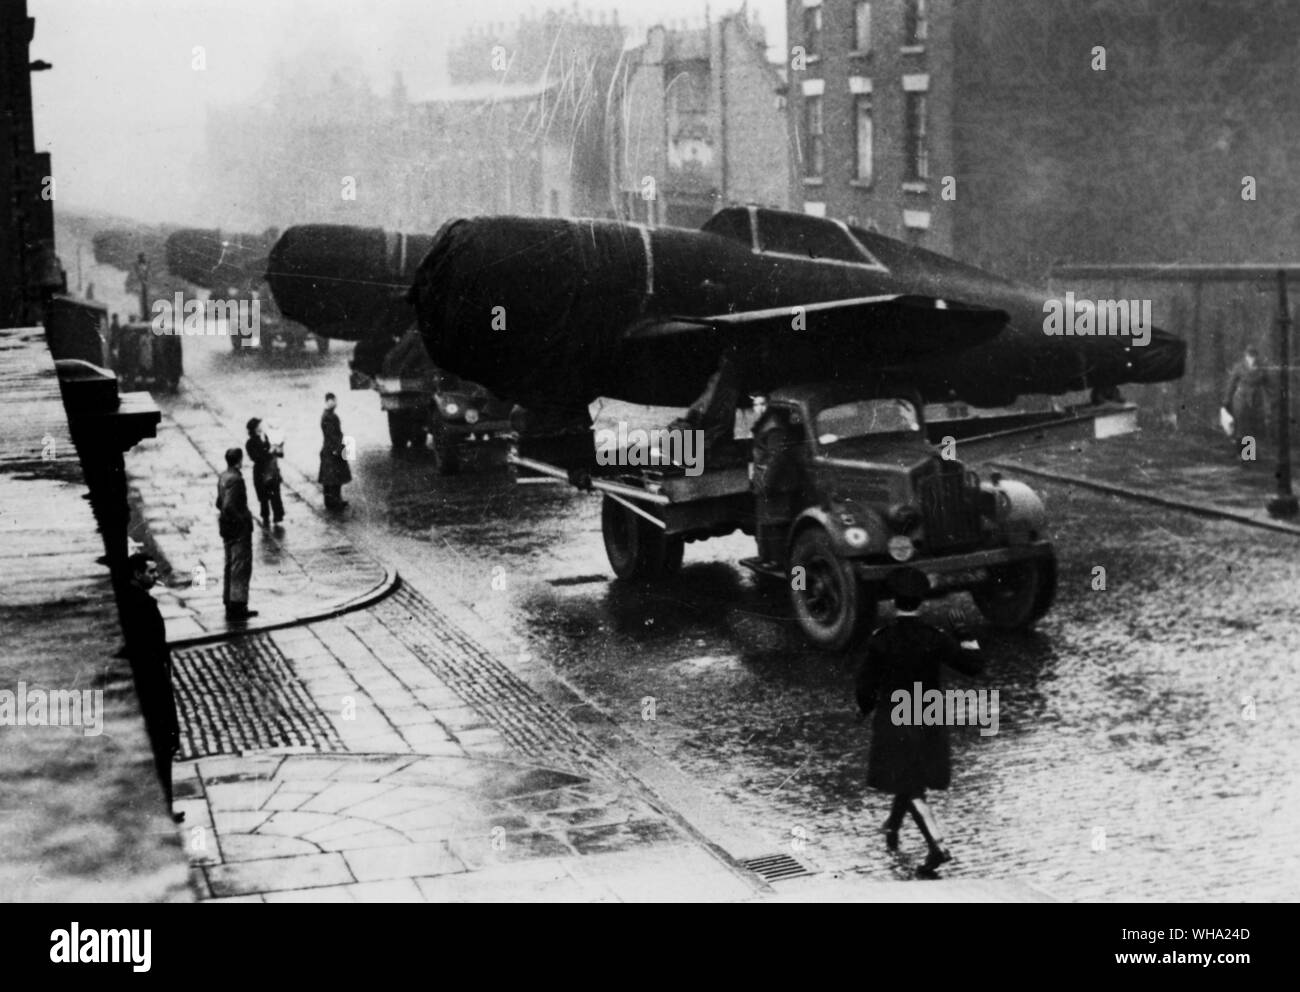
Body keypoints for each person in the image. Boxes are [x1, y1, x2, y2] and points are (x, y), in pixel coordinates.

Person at [855, 568, 984, 878]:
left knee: (907, 780)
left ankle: (937, 845)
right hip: (927, 715)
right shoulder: (934, 637)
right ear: (922, 601)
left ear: (894, 600)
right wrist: (966, 637)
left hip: (895, 718)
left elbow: (865, 686)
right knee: (912, 776)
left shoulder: (881, 639)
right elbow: (974, 666)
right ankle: (893, 827)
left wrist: (865, 708)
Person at [119, 553, 184, 823]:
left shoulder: (136, 600)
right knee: (161, 743)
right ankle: (163, 807)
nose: (156, 577)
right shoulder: (141, 604)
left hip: (152, 680)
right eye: (151, 572)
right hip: (152, 683)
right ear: (137, 574)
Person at [750, 405, 807, 567]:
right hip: (769, 480)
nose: (758, 408)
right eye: (755, 405)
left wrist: (766, 482)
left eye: (762, 404)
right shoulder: (769, 423)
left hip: (777, 483)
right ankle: (767, 558)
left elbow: (776, 458)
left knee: (776, 523)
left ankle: (779, 562)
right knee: (767, 521)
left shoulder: (774, 427)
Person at [216, 447, 257, 620]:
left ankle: (228, 600)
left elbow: (219, 503)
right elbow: (227, 506)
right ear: (239, 460)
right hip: (238, 530)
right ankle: (238, 605)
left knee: (229, 564)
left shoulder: (223, 476)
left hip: (226, 528)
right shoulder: (236, 479)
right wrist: (242, 520)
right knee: (240, 566)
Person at [1222, 344, 1270, 450]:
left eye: (1253, 355)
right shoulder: (1239, 367)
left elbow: (1268, 384)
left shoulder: (1261, 368)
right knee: (1241, 426)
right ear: (1245, 356)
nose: (1251, 358)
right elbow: (1231, 384)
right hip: (1241, 398)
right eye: (1249, 355)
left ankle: (1248, 456)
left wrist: (1271, 399)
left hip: (1256, 399)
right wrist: (1227, 399)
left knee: (1252, 427)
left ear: (1256, 356)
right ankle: (1242, 455)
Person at [245, 417, 285, 528]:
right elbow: (256, 458)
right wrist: (269, 452)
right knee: (263, 498)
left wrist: (278, 449)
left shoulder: (266, 437)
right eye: (257, 427)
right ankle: (266, 517)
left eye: (260, 426)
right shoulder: (250, 443)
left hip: (272, 470)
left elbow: (278, 453)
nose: (260, 428)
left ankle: (278, 516)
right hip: (260, 472)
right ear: (252, 429)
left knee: (275, 494)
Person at [319, 393, 351, 510]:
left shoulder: (328, 415)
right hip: (332, 449)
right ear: (328, 401)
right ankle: (335, 502)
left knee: (330, 478)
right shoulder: (329, 416)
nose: (335, 403)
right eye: (332, 401)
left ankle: (331, 501)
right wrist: (337, 449)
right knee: (335, 477)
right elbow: (332, 435)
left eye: (335, 401)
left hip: (330, 449)